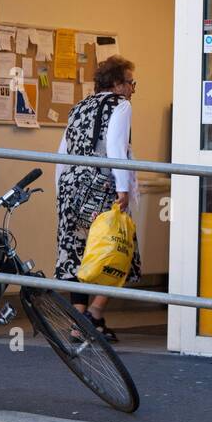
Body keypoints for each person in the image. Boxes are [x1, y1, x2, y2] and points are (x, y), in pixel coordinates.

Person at [54, 54, 140, 342]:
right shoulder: (121, 105)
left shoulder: (79, 107)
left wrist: (61, 188)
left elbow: (63, 151)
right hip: (102, 186)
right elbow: (116, 147)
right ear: (117, 84)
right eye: (130, 83)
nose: (132, 89)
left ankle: (81, 323)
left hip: (71, 186)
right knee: (116, 248)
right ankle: (94, 313)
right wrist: (123, 188)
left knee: (80, 252)